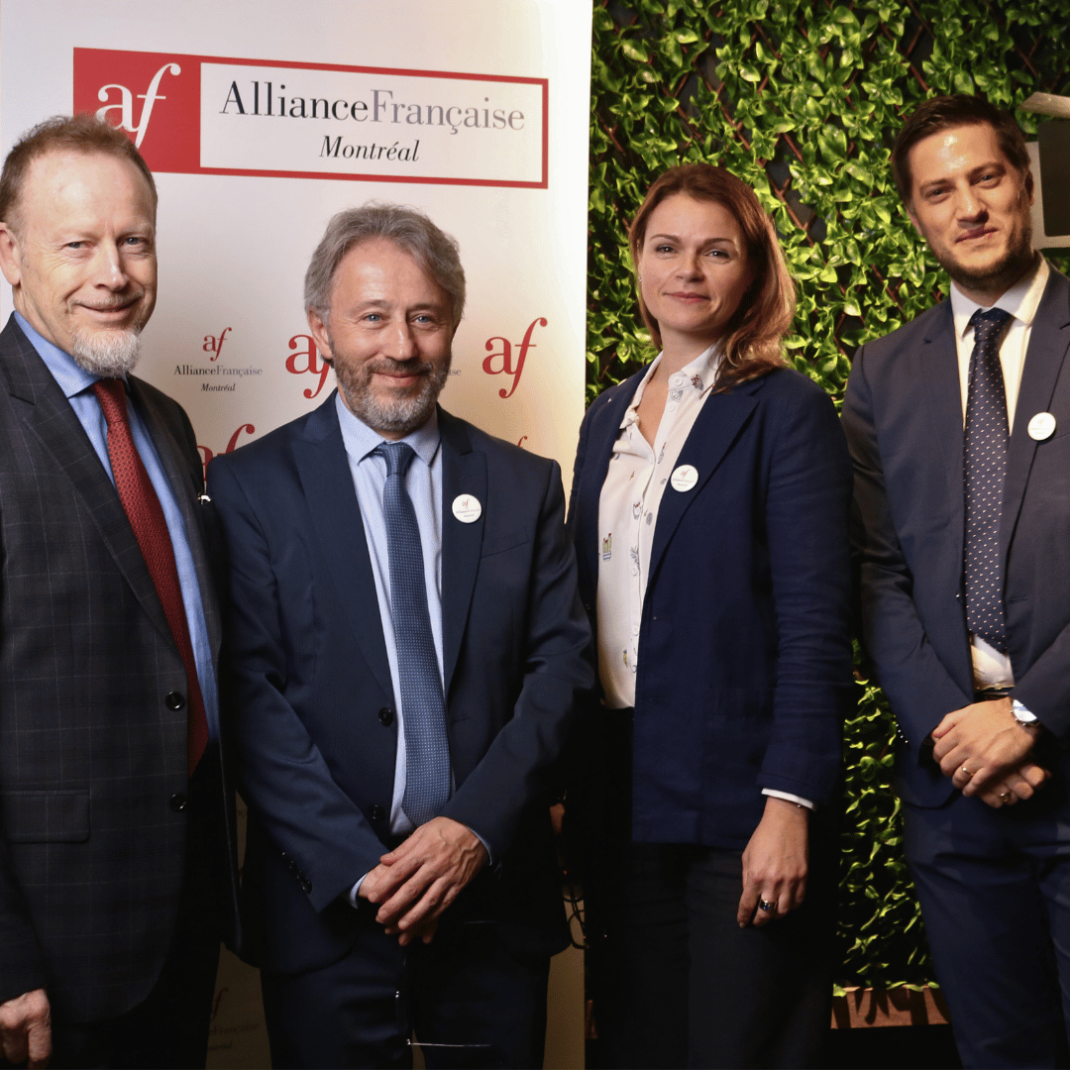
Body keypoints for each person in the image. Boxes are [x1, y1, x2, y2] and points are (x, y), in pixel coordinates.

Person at [207, 202, 592, 1069]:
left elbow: (560, 667)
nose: (401, 346)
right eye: (372, 316)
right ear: (322, 329)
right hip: (329, 910)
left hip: (490, 902)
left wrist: (470, 831)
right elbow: (248, 689)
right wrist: (359, 868)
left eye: (424, 316)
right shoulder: (249, 488)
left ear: (452, 324)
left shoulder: (524, 484)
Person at [567, 163, 853, 1069]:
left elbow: (817, 624)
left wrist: (790, 804)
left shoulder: (788, 411)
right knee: (640, 1041)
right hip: (622, 793)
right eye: (667, 247)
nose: (688, 269)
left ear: (752, 271)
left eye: (716, 250)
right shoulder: (605, 415)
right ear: (638, 262)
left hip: (743, 805)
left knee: (742, 1046)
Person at [0, 115, 239, 1069]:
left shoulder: (165, 424)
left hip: (182, 914)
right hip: (47, 955)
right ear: (11, 255)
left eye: (134, 240)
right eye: (78, 243)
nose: (114, 272)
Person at [843, 93, 1070, 1067]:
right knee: (998, 1052)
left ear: (1021, 182)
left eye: (983, 177)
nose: (966, 206)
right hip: (951, 791)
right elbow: (874, 575)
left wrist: (1025, 713)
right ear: (914, 214)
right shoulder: (882, 372)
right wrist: (953, 725)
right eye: (939, 190)